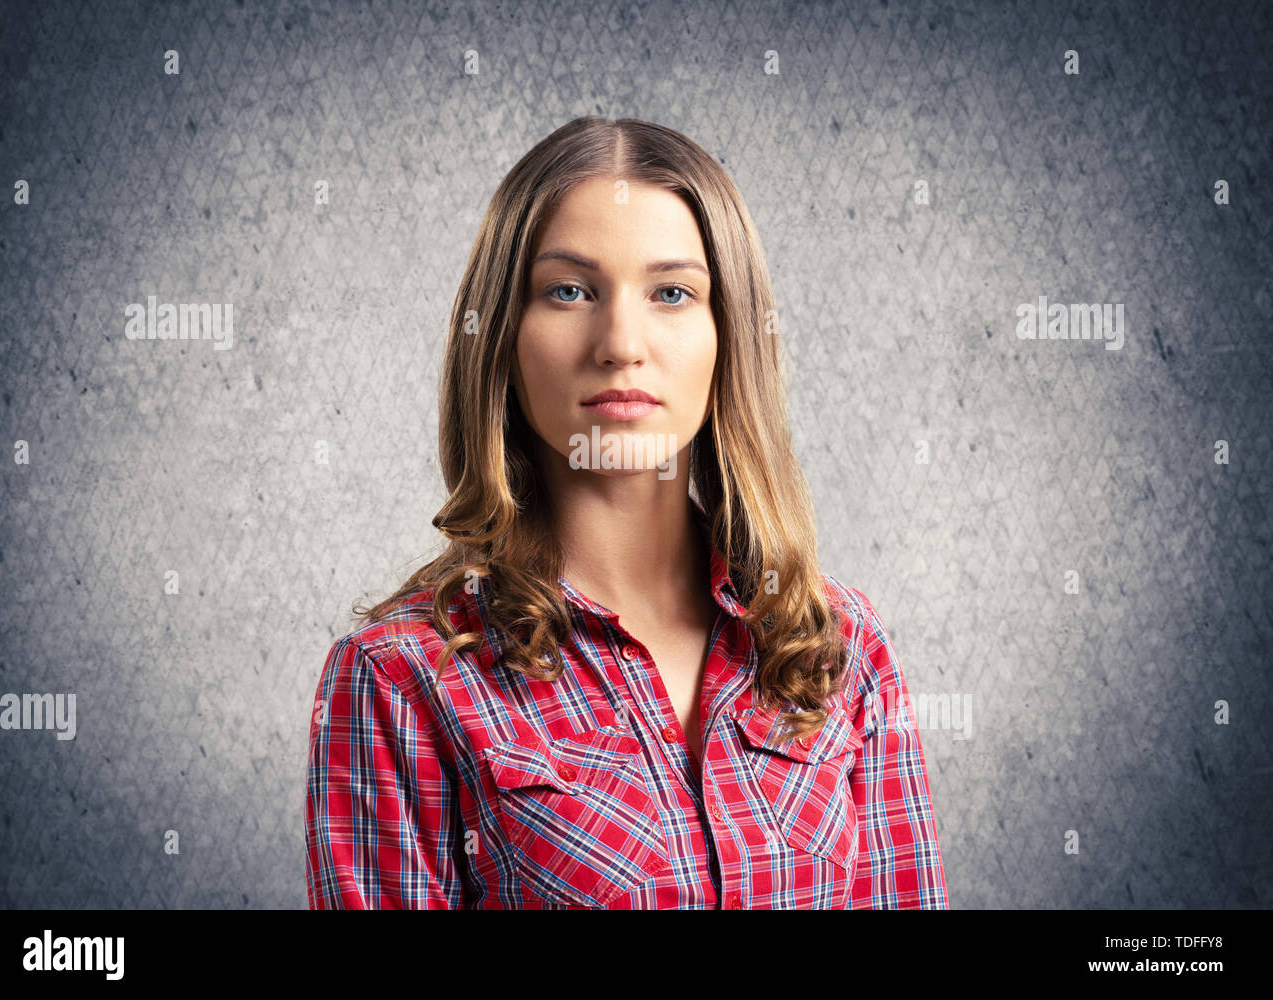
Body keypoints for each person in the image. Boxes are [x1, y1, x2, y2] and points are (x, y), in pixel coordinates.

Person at [304, 116, 949, 909]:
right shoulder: (401, 676)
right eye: (569, 291)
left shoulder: (837, 645)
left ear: (729, 335)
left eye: (672, 292)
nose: (621, 342)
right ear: (503, 336)